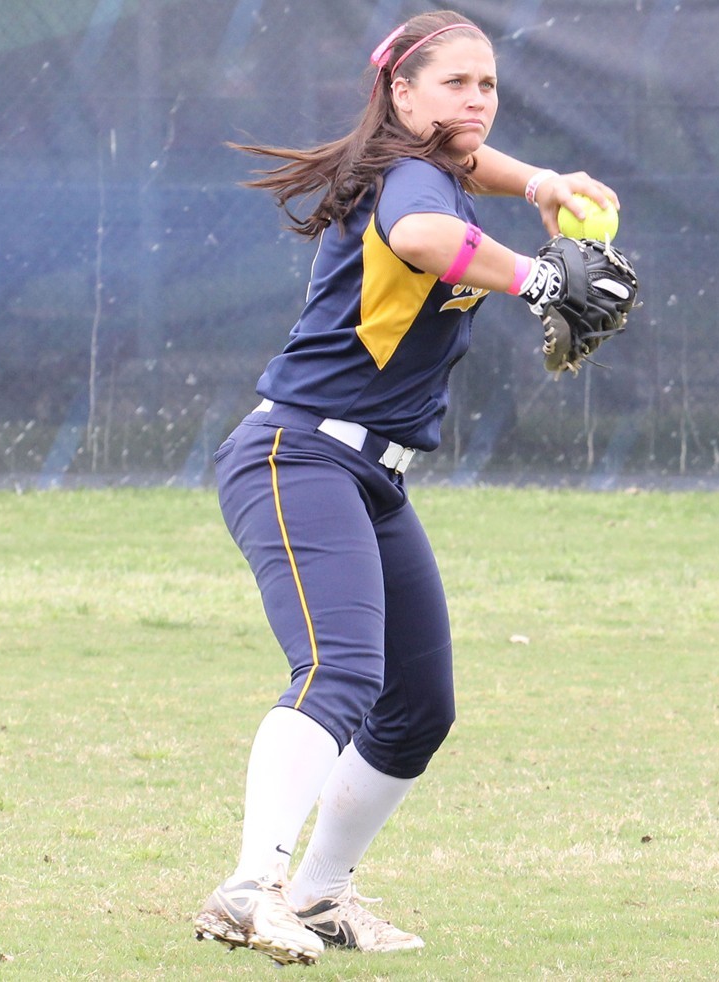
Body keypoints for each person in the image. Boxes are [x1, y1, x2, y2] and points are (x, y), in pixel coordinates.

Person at [191, 10, 636, 966]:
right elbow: (429, 233)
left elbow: (467, 170)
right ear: (401, 95)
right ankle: (248, 888)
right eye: (455, 85)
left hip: (371, 475)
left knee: (419, 704)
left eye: (488, 85)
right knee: (339, 672)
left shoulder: (429, 161)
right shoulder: (410, 182)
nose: (478, 100)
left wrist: (544, 183)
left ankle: (316, 898)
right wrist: (543, 282)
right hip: (297, 457)